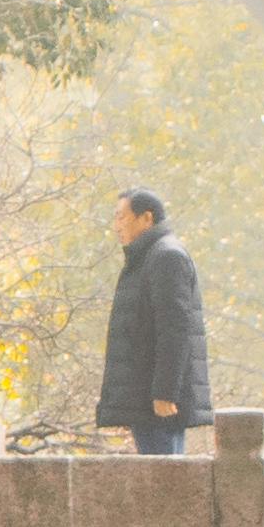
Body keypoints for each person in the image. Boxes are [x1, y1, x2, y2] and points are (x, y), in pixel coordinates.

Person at [95, 188, 212, 454]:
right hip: (144, 398)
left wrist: (165, 393)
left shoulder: (166, 256)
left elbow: (175, 330)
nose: (116, 227)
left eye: (121, 217)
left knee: (166, 481)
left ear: (146, 218)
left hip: (157, 403)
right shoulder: (147, 257)